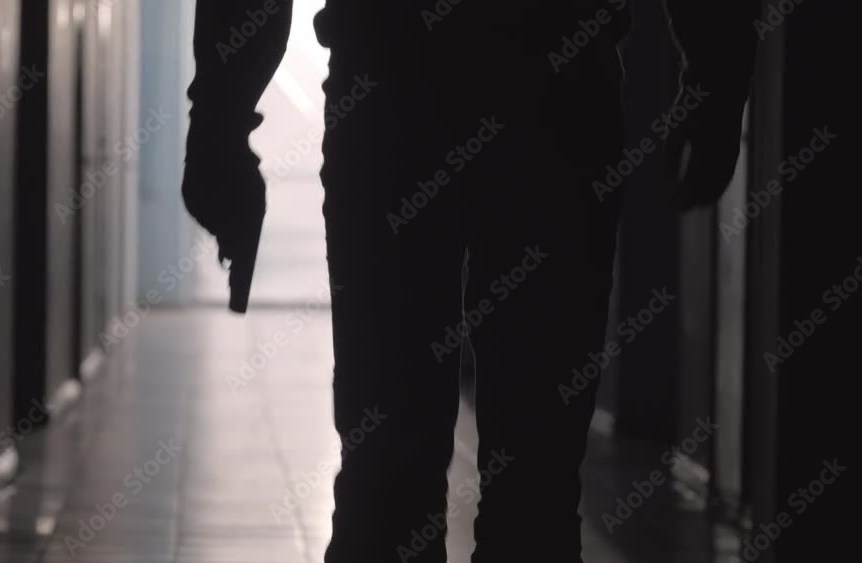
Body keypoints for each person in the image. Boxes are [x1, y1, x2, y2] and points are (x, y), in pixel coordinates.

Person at [181, 1, 760, 561]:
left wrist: (219, 117)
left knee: (392, 471)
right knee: (531, 482)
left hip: (397, 98)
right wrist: (719, 68)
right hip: (549, 97)